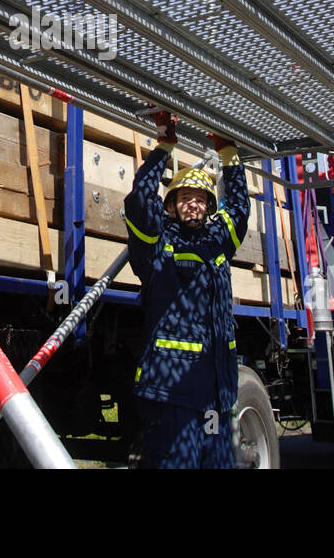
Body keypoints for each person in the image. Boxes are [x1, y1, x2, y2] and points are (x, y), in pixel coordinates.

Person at [123, 110, 248, 469]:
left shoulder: (218, 241)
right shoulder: (157, 242)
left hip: (218, 397)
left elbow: (238, 207)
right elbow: (139, 200)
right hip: (171, 395)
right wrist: (164, 146)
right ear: (172, 206)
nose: (192, 202)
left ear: (209, 206)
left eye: (200, 197)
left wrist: (228, 154)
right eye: (184, 197)